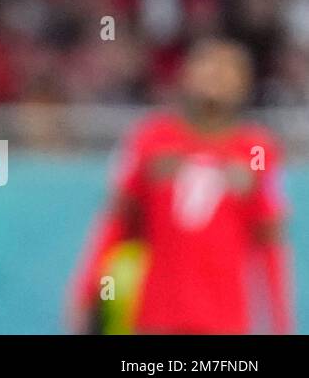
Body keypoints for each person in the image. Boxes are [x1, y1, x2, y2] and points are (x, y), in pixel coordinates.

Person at [69, 38, 294, 334]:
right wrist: (86, 291)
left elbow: (271, 242)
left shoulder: (257, 151)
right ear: (185, 74)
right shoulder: (151, 139)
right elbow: (118, 223)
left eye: (228, 69)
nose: (216, 74)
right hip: (156, 318)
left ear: (245, 84)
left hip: (225, 323)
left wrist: (281, 322)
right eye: (207, 65)